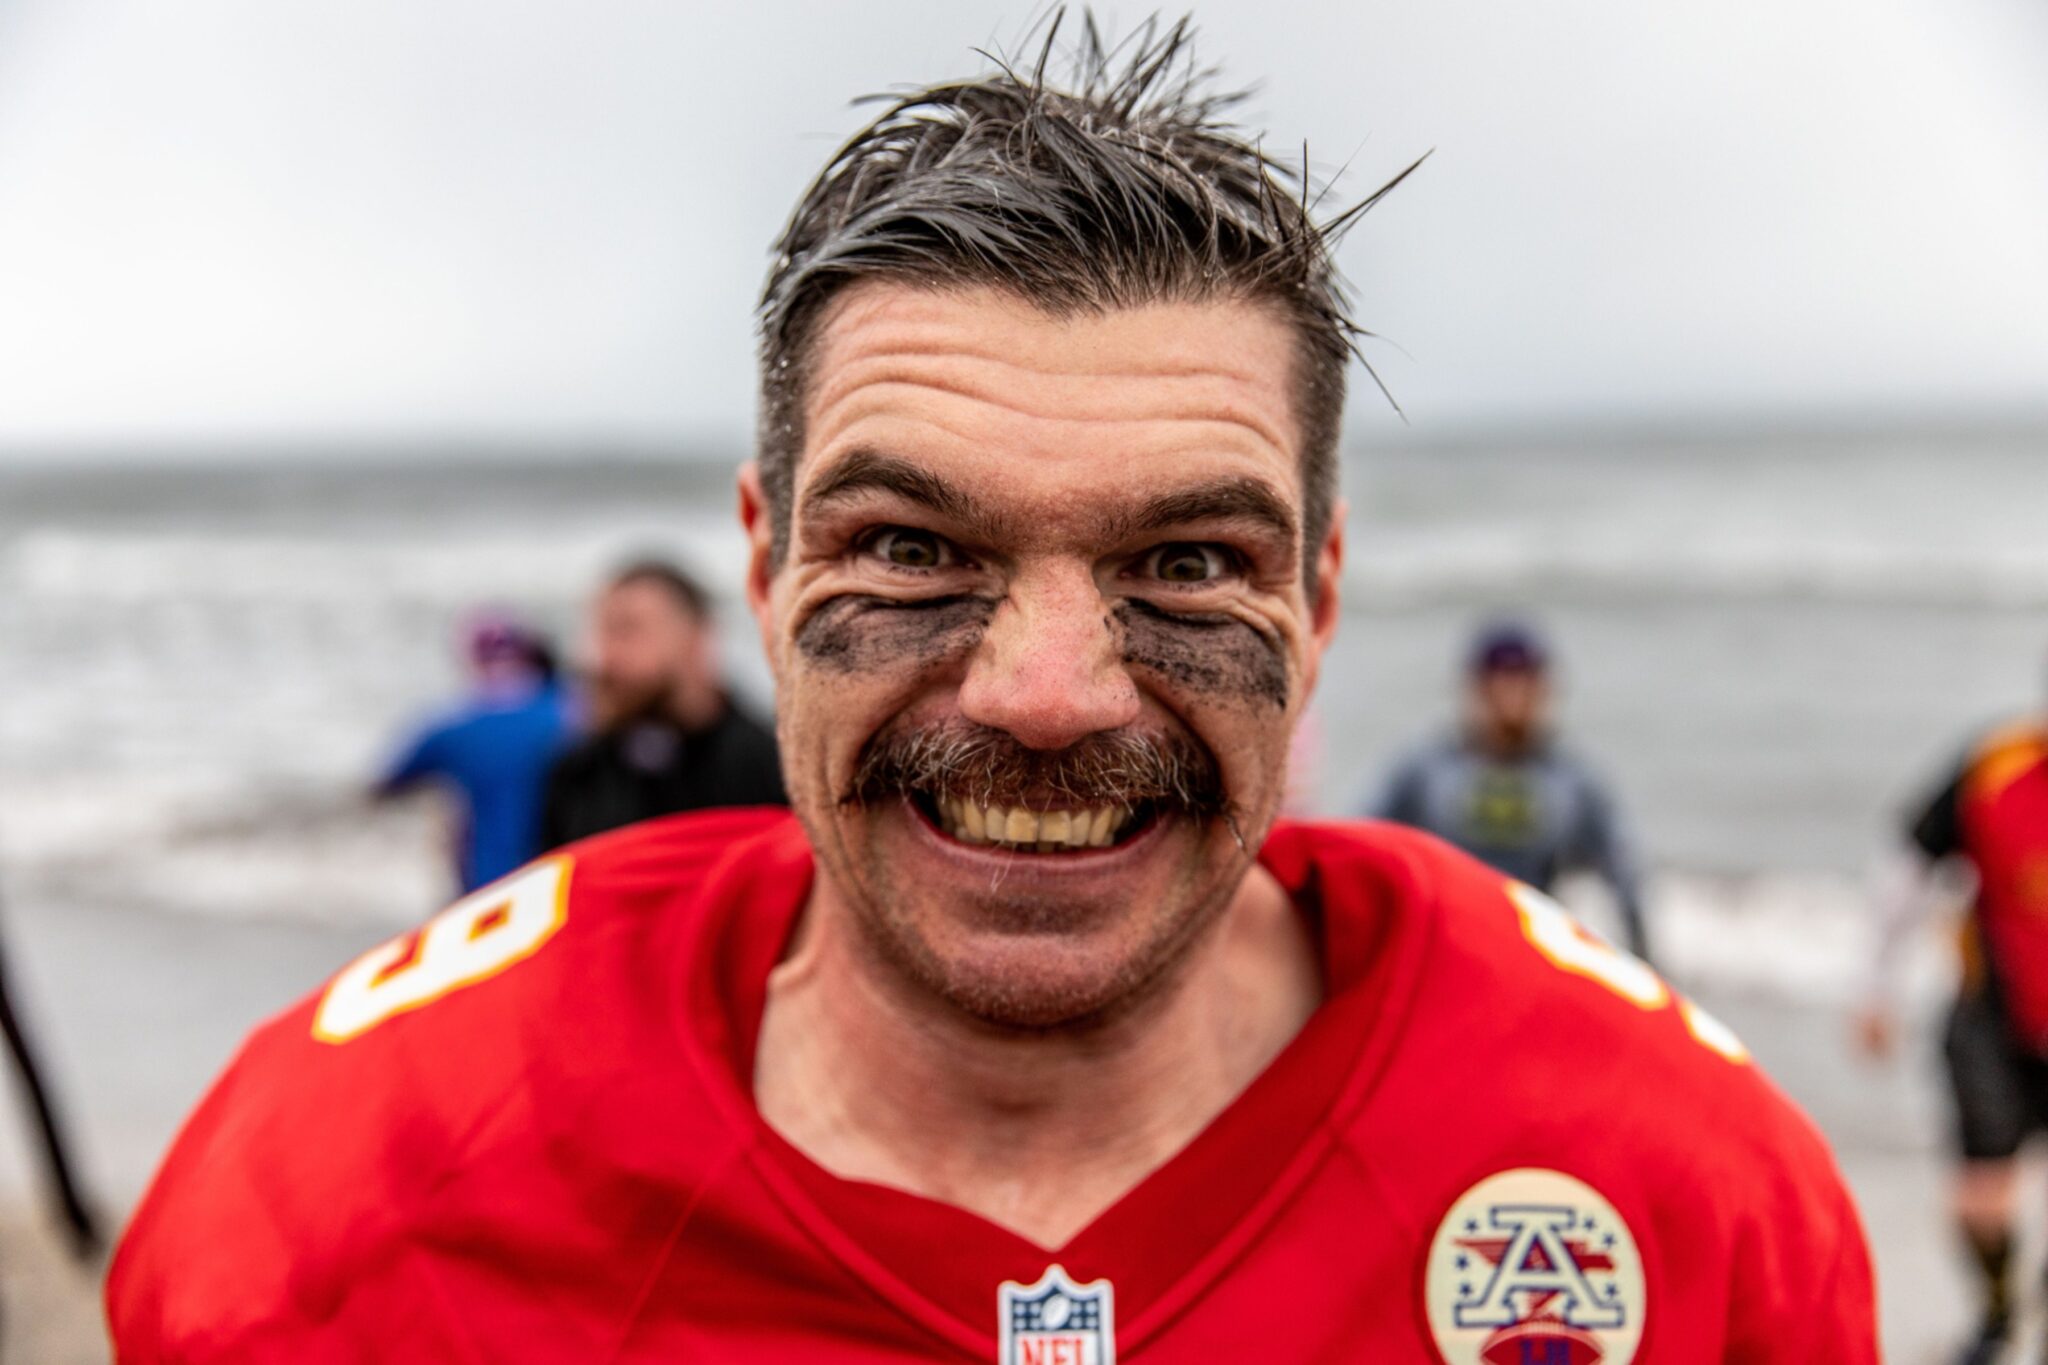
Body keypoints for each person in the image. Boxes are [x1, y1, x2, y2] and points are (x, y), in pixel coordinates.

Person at [109, 20, 1875, 1360]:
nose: (1045, 695)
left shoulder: (1684, 1193)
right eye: (907, 548)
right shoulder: (351, 1188)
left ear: (1320, 597)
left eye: (1189, 562)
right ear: (764, 569)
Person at [1858, 697, 2048, 1365]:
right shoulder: (1994, 767)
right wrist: (1876, 985)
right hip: (1993, 1015)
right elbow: (1908, 865)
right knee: (1980, 1199)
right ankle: (1997, 1316)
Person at [1369, 620, 1653, 961]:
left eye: (1524, 678)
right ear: (1474, 686)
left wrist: (1644, 963)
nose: (1511, 693)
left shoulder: (1572, 782)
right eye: (1499, 678)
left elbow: (1624, 870)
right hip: (1443, 945)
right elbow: (1364, 846)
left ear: (1545, 688)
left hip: (1534, 947)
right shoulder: (1427, 771)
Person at [539, 559, 785, 847]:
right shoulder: (579, 775)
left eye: (627, 630)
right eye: (600, 633)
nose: (601, 658)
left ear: (697, 638)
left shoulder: (770, 766)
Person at [373, 612, 572, 894]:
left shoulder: (454, 727)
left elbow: (385, 786)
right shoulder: (572, 712)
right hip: (562, 875)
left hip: (487, 883)